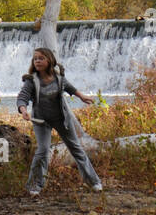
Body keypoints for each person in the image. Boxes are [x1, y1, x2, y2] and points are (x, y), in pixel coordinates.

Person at [16, 47, 103, 197]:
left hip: (62, 119)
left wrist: (81, 96)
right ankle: (34, 186)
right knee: (42, 150)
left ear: (49, 60)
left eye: (41, 58)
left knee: (76, 147)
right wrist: (23, 110)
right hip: (41, 121)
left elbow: (69, 88)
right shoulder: (31, 81)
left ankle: (94, 182)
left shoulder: (58, 78)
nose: (37, 61)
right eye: (35, 58)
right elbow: (22, 97)